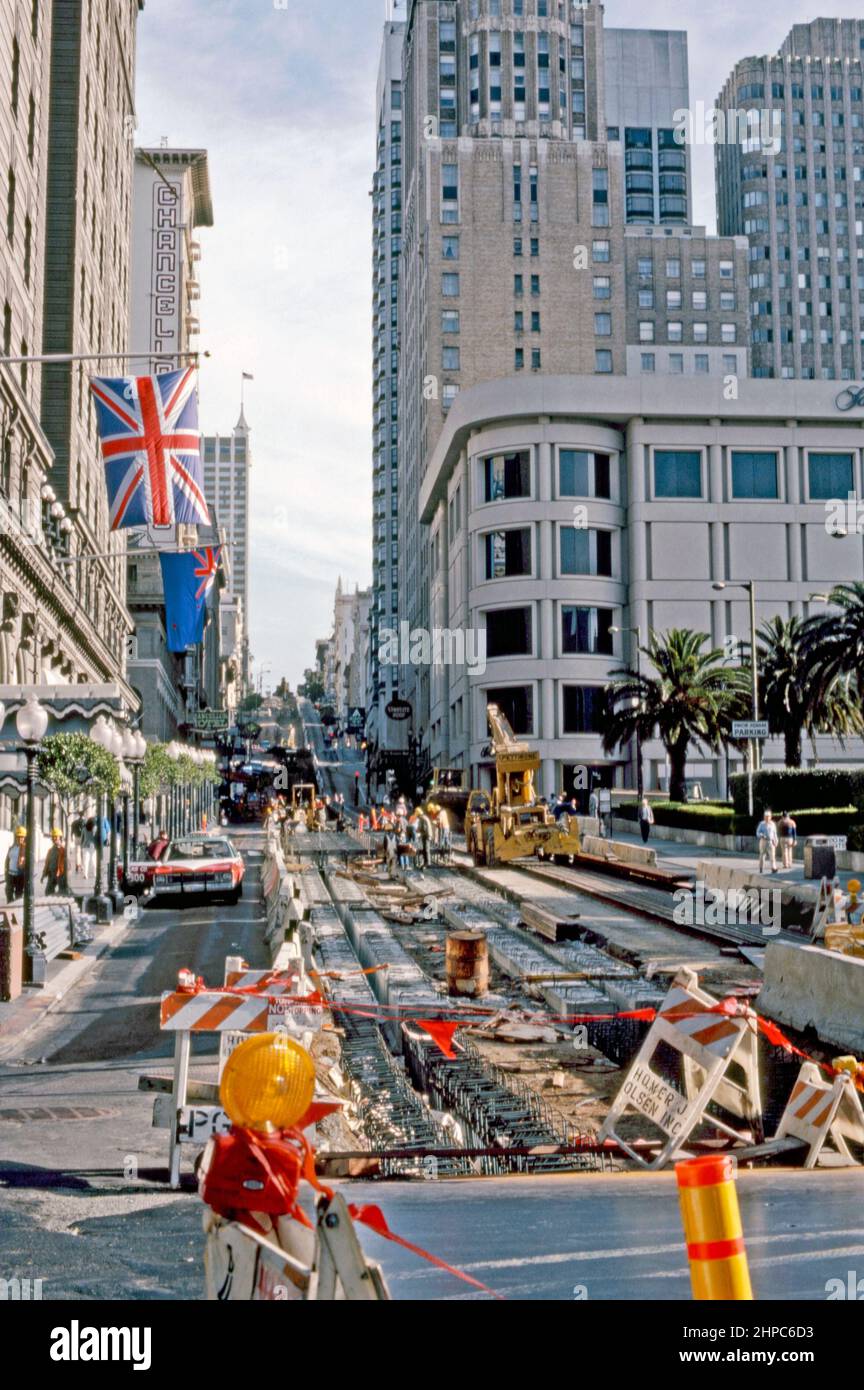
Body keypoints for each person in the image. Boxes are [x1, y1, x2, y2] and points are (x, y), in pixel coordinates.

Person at [41, 829, 67, 897]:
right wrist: (43, 874)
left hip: (60, 875)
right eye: (53, 837)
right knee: (48, 891)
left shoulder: (64, 850)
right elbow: (47, 863)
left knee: (62, 892)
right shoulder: (50, 850)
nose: (54, 838)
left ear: (60, 837)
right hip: (51, 874)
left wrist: (65, 875)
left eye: (56, 836)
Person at [5, 828, 27, 903]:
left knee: (19, 894)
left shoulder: (25, 848)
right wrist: (6, 872)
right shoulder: (12, 847)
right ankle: (10, 906)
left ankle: (18, 909)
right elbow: (7, 860)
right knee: (8, 892)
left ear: (24, 838)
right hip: (10, 874)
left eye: (22, 837)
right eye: (18, 836)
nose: (20, 838)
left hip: (20, 875)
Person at [756, 810, 779, 874]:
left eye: (768, 816)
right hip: (763, 841)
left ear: (770, 817)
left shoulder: (773, 824)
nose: (767, 818)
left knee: (772, 856)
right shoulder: (761, 824)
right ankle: (761, 868)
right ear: (764, 817)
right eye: (766, 816)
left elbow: (775, 834)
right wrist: (761, 835)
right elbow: (757, 832)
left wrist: (776, 841)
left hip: (771, 841)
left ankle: (773, 868)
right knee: (762, 856)